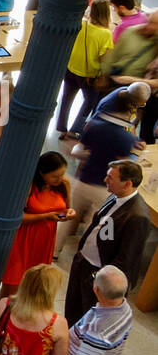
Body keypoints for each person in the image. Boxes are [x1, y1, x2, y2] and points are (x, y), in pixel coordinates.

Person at [59, 86, 148, 247]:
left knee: (67, 217)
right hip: (104, 187)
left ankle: (54, 250)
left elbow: (79, 148)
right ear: (130, 110)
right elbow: (124, 163)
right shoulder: (126, 138)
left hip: (84, 179)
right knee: (94, 223)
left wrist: (88, 155)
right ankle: (82, 252)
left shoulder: (95, 125)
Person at [63, 160, 147, 328]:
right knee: (71, 313)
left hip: (97, 275)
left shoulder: (138, 216)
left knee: (87, 322)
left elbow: (126, 259)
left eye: (110, 177)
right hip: (83, 263)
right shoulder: (115, 195)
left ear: (127, 184)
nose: (104, 180)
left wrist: (98, 279)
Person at [1, 152, 73, 295]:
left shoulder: (64, 184)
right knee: (12, 287)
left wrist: (70, 213)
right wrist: (45, 216)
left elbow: (65, 209)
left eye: (62, 174)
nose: (60, 179)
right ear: (42, 173)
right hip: (24, 238)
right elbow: (17, 216)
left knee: (32, 288)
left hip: (45, 239)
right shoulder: (29, 186)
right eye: (55, 176)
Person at [57, 0, 116, 137]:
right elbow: (103, 59)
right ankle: (75, 129)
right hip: (89, 74)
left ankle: (61, 129)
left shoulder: (81, 24)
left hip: (71, 68)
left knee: (66, 98)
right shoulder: (106, 34)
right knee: (90, 101)